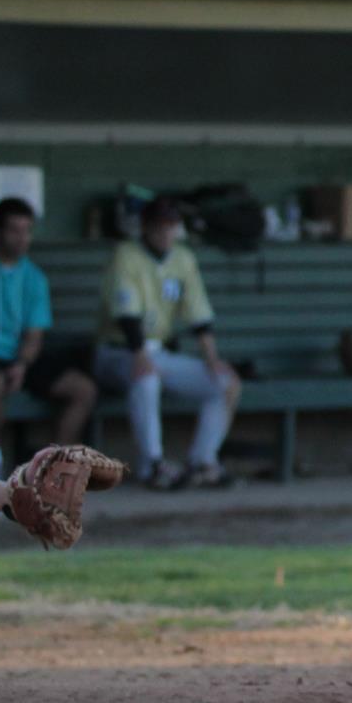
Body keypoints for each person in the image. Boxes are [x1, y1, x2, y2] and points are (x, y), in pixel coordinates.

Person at [93, 198, 240, 490]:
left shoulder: (183, 259)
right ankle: (153, 465)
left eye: (171, 225)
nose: (165, 232)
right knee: (146, 377)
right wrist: (139, 355)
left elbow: (199, 315)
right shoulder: (126, 254)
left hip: (159, 351)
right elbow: (127, 316)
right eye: (159, 226)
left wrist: (211, 358)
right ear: (145, 228)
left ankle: (203, 461)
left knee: (225, 382)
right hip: (117, 350)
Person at [0, 198, 99, 477]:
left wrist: (21, 364)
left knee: (83, 390)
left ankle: (50, 468)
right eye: (14, 230)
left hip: (18, 355)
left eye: (27, 230)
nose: (21, 238)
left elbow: (34, 335)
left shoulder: (34, 278)